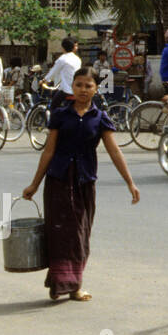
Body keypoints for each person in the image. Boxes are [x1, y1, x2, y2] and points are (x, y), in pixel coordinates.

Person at [22, 67, 140, 301]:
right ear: (72, 86)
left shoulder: (100, 117)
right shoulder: (59, 115)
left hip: (84, 181)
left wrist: (130, 182)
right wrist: (34, 184)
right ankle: (60, 285)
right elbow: (49, 151)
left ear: (96, 89)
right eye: (78, 85)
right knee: (60, 233)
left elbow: (114, 151)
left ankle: (74, 285)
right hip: (58, 180)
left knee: (79, 233)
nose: (83, 90)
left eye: (88, 86)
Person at [42, 36, 81, 112]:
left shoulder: (62, 59)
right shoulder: (77, 59)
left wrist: (44, 80)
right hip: (76, 89)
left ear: (63, 47)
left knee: (53, 107)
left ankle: (54, 123)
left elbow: (52, 72)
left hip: (66, 90)